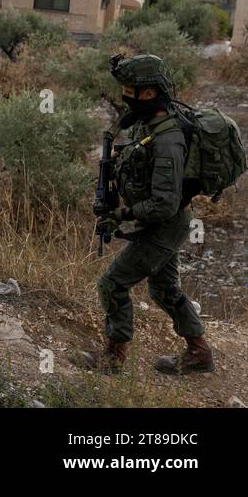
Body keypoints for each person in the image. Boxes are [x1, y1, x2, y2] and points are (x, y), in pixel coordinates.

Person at [79, 54, 213, 375]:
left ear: (150, 93)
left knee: (112, 283)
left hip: (164, 224)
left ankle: (114, 357)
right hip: (161, 222)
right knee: (163, 289)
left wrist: (123, 215)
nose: (125, 95)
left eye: (130, 89)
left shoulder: (168, 139)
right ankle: (200, 354)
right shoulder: (147, 121)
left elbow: (164, 204)